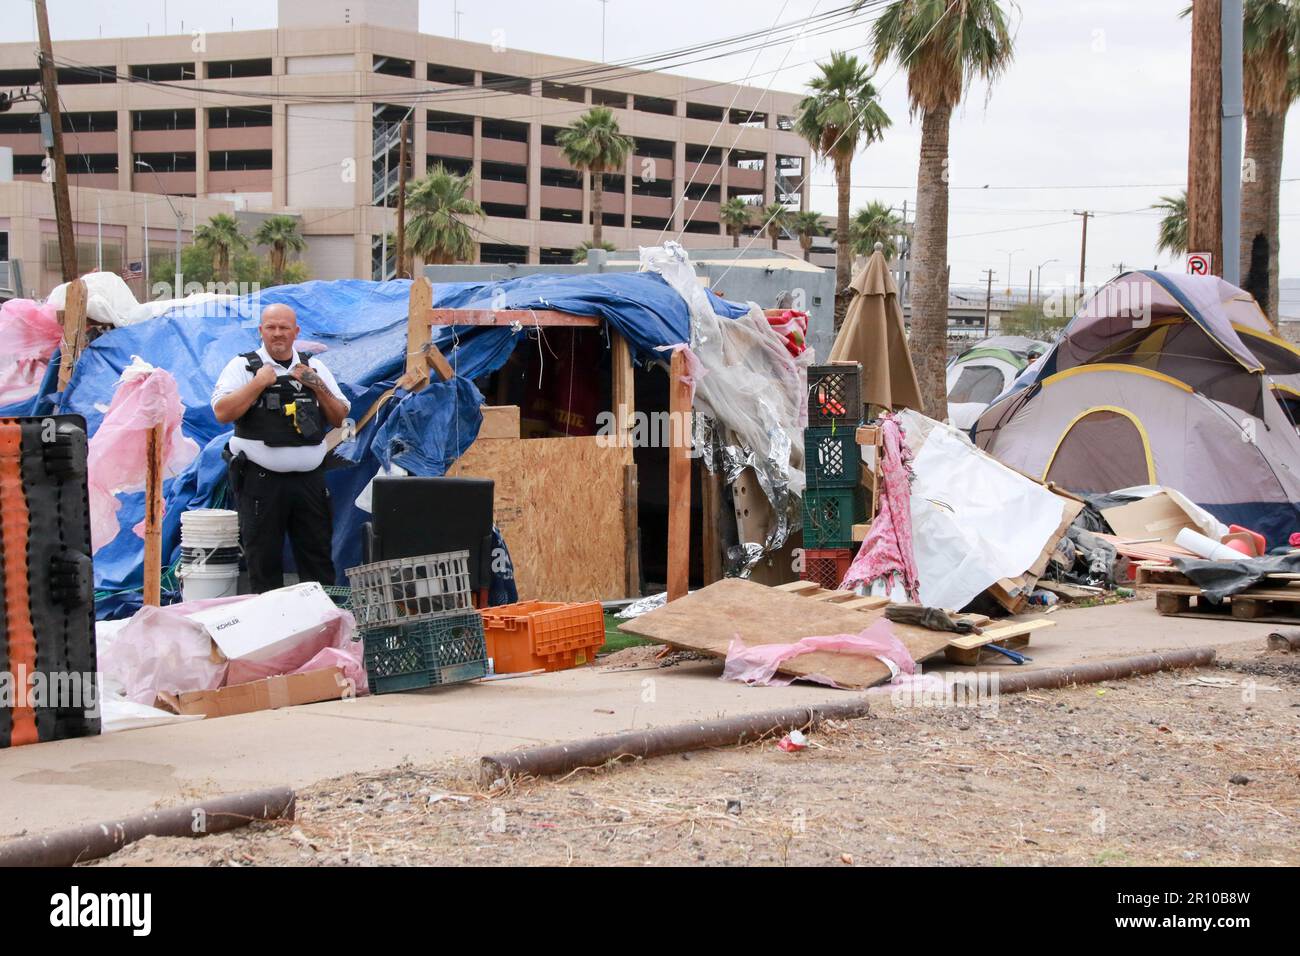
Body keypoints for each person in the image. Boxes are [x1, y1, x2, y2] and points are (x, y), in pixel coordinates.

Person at [211, 303, 351, 593]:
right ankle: (271, 631)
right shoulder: (243, 366)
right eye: (271, 327)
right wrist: (259, 383)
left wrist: (315, 385)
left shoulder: (313, 366)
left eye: (284, 327)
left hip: (310, 484)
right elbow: (222, 412)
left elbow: (339, 416)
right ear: (261, 330)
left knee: (318, 560)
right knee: (263, 561)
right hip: (261, 484)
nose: (277, 334)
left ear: (295, 332)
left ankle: (323, 628)